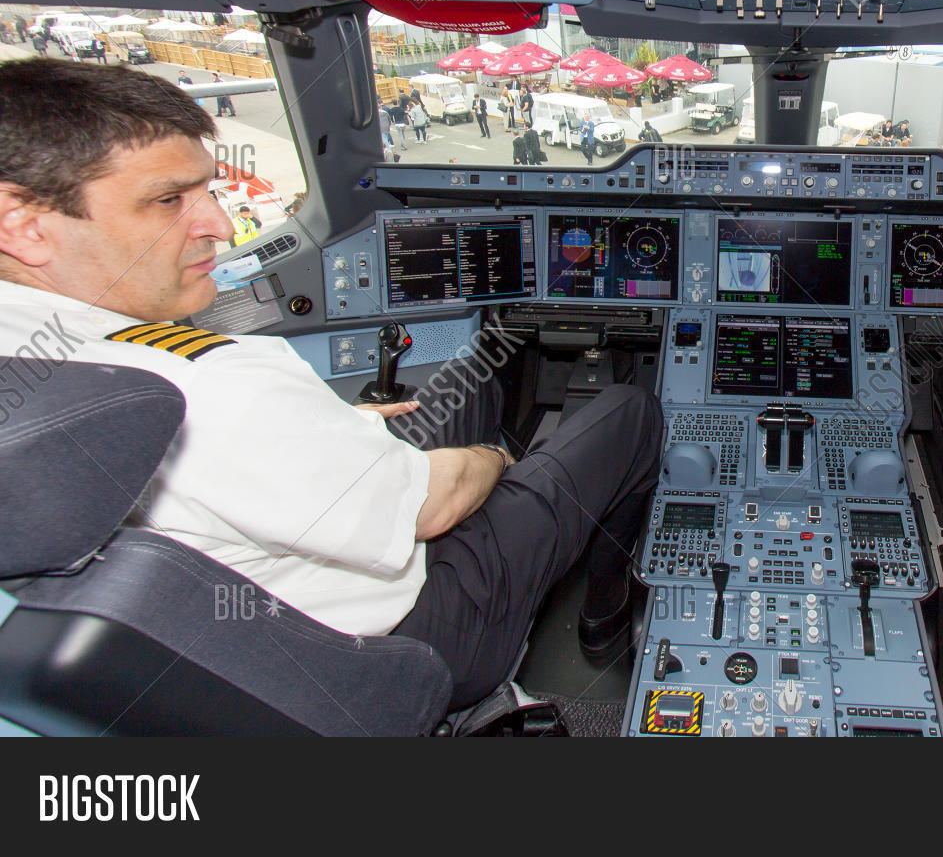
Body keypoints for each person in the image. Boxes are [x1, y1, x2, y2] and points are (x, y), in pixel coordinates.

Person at [0, 57, 663, 706]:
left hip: (264, 612)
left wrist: (360, 436)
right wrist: (498, 458)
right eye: (168, 200)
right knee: (628, 412)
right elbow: (436, 507)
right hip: (406, 637)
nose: (220, 227)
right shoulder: (215, 384)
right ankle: (605, 623)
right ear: (26, 226)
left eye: (206, 191)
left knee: (472, 377)